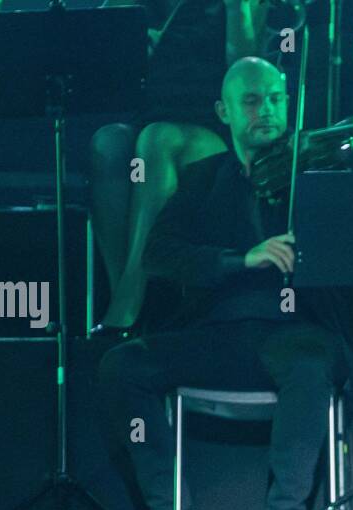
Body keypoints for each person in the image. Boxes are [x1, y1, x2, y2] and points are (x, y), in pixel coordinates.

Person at [98, 57, 353, 510]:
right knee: (120, 367)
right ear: (225, 111)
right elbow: (159, 254)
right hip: (220, 336)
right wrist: (240, 260)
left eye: (277, 98)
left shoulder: (316, 174)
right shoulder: (202, 178)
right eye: (252, 100)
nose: (268, 110)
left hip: (299, 333)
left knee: (308, 361)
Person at [88, 0, 268, 335]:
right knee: (109, 144)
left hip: (217, 128)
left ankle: (129, 305)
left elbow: (246, 72)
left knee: (158, 141)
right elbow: (99, 41)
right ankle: (125, 291)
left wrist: (237, 11)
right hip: (152, 121)